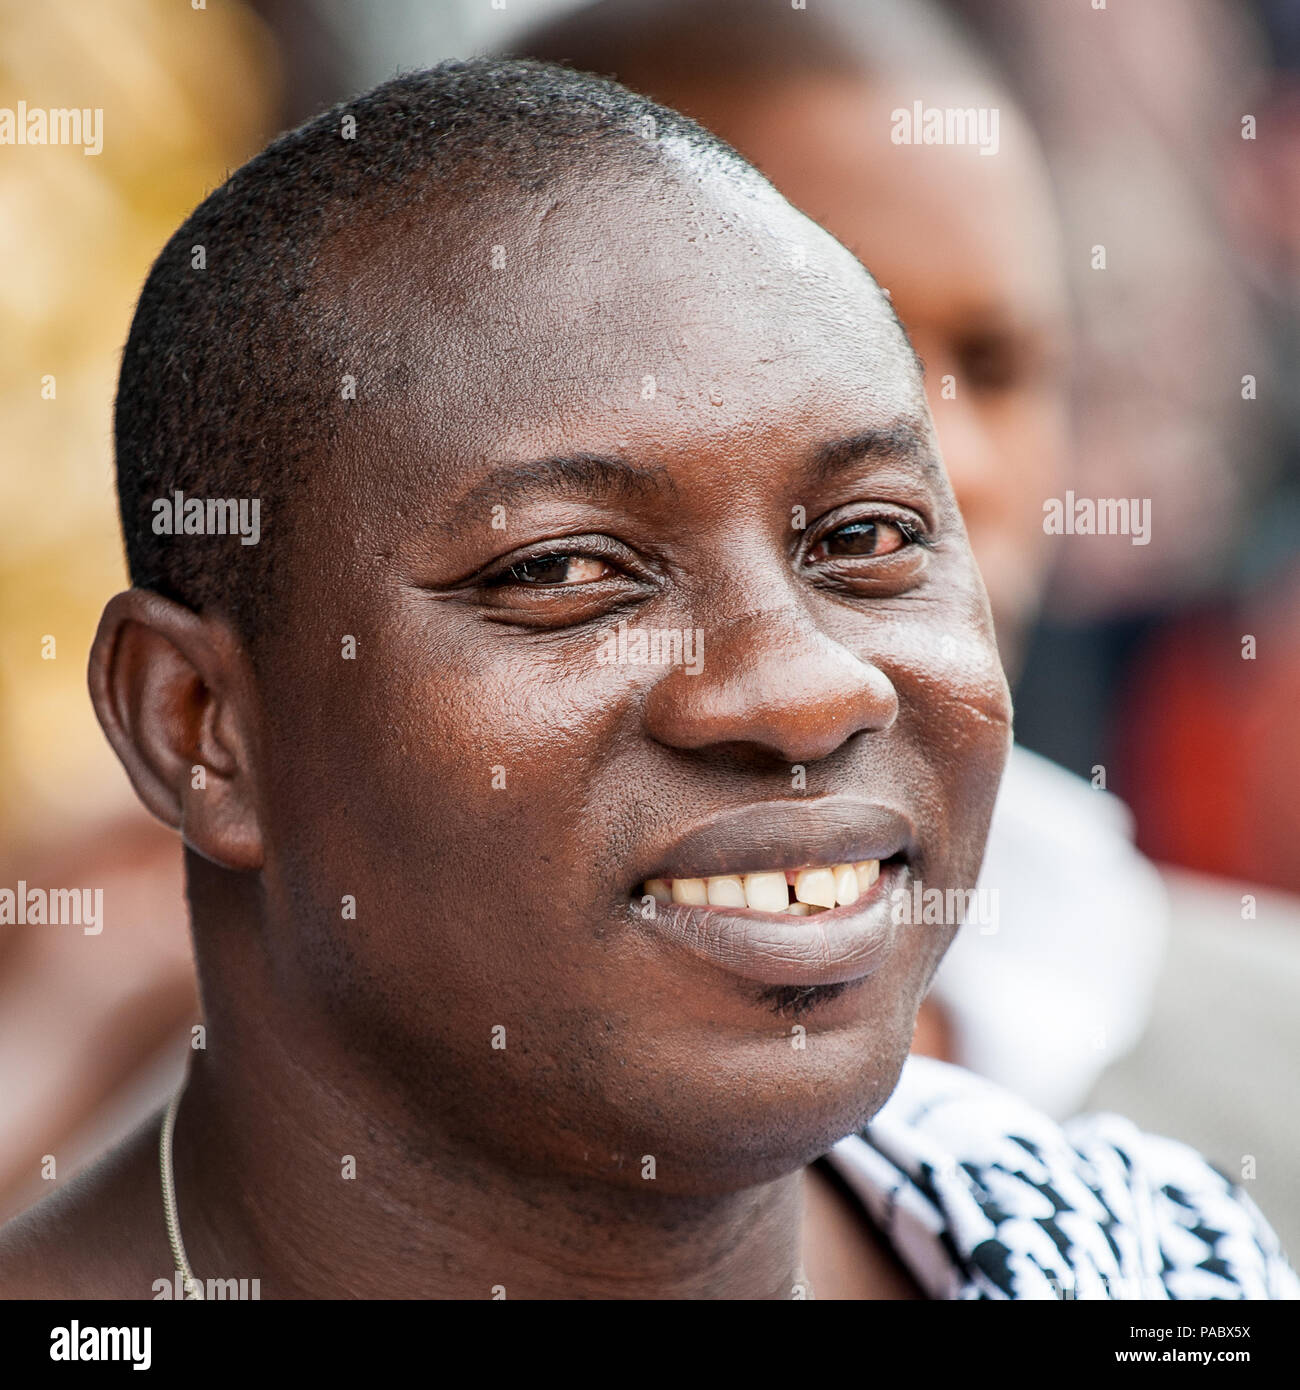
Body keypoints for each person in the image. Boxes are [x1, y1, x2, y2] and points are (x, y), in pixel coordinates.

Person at [0, 60, 1291, 1300]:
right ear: (199, 726)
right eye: (565, 569)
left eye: (866, 538)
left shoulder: (1137, 1254)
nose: (803, 690)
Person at [511, 0, 1166, 1114]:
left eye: (999, 367)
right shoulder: (244, 1051)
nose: (950, 460)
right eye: (829, 361)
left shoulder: (1235, 1017)